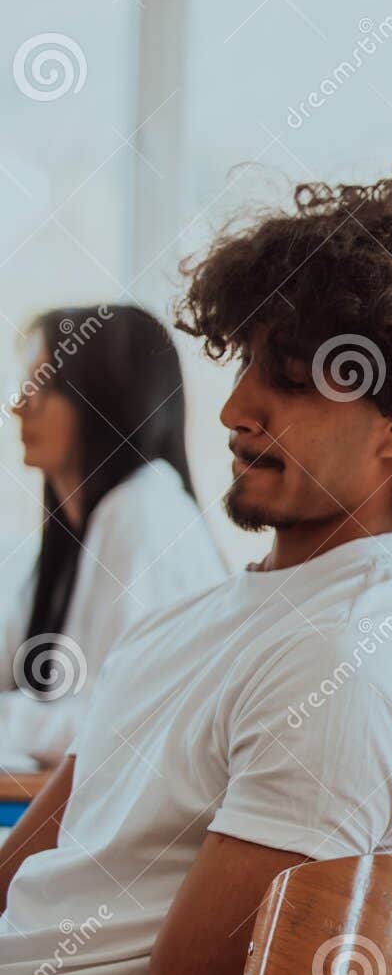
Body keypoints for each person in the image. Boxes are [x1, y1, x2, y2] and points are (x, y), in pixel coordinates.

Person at [0, 177, 392, 975]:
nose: (233, 409)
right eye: (246, 363)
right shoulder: (192, 622)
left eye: (289, 380)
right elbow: (21, 875)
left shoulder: (341, 662)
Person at [1, 305, 226, 765]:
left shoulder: (141, 512)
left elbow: (113, 723)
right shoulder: (78, 532)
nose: (19, 405)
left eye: (44, 385)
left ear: (102, 399)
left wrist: (8, 719)